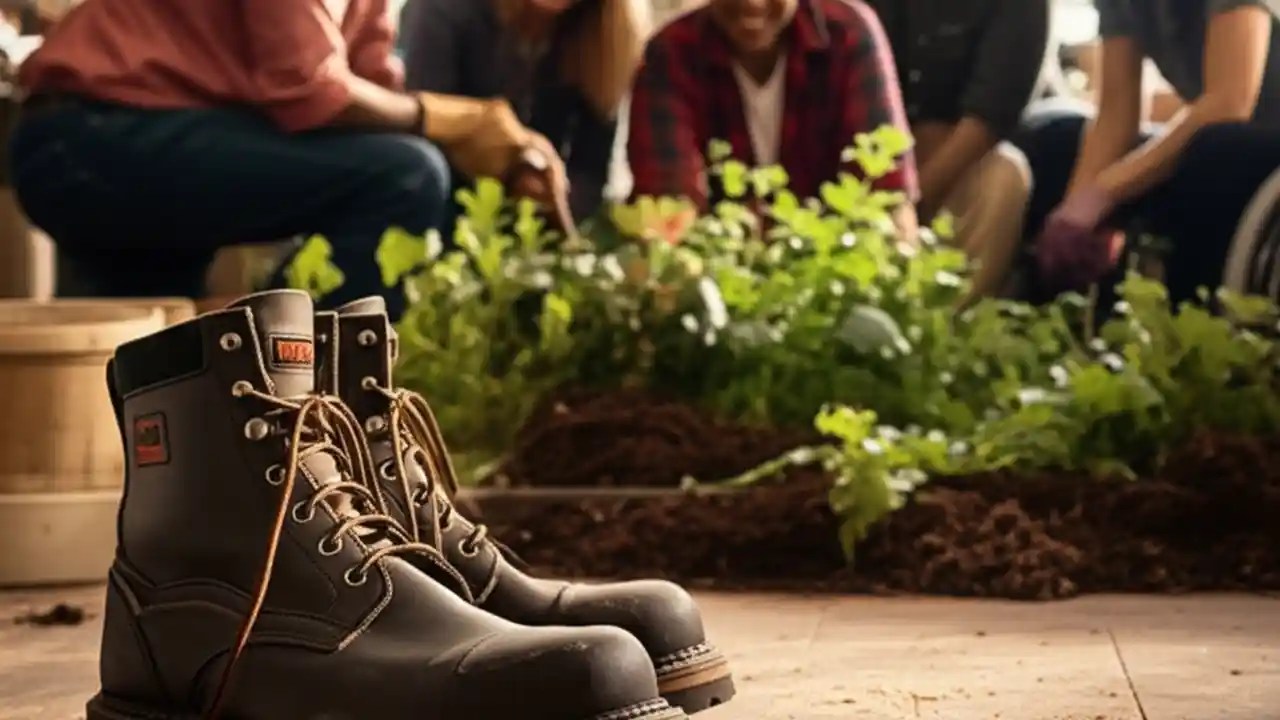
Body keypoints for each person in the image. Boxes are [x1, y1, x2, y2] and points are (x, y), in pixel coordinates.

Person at [9, 0, 563, 316]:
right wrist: (448, 119)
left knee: (140, 368)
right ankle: (293, 399)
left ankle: (246, 381)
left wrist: (508, 152)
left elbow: (370, 90)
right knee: (407, 176)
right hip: (92, 136)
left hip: (135, 138)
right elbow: (307, 90)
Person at [1015, 0, 1280, 305]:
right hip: (1224, 145)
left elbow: (1229, 104)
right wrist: (1072, 216)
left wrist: (1105, 192)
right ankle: (1069, 310)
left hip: (1248, 152)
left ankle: (1190, 331)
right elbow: (1116, 114)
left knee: (1215, 151)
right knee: (1057, 137)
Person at [627, 0, 920, 238]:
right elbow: (668, 209)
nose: (751, 4)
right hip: (716, 278)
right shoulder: (672, 53)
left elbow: (889, 198)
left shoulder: (849, 34)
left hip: (834, 269)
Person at [399, 0, 648, 225]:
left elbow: (591, 174)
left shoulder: (607, 35)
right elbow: (428, 129)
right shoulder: (441, 10)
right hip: (446, 214)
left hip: (540, 231)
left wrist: (548, 204)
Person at [867, 0, 1049, 299]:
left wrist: (910, 200)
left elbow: (988, 116)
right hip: (868, 154)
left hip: (954, 164)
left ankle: (950, 327)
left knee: (1004, 177)